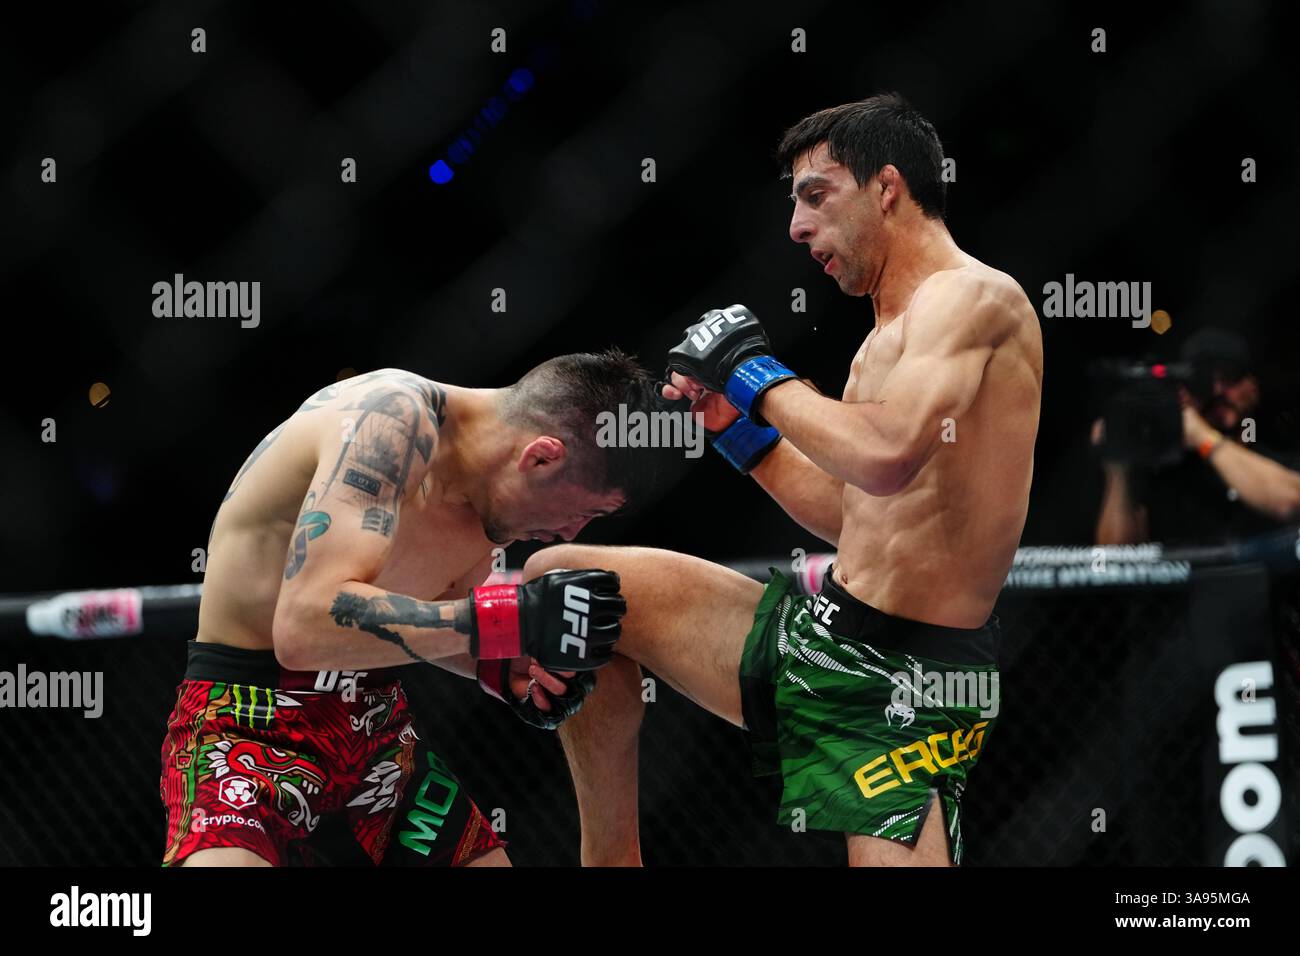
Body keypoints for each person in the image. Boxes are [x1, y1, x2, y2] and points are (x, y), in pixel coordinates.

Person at [524, 94, 1043, 866]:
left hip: (906, 681)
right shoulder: (884, 340)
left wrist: (754, 375)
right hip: (825, 630)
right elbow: (855, 511)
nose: (798, 228)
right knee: (564, 582)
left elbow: (889, 451)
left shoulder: (972, 298)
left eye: (815, 196)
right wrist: (739, 430)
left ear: (887, 187)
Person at [160, 351, 655, 866]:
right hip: (248, 724)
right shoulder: (387, 420)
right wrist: (505, 621)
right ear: (541, 457)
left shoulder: (489, 510)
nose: (572, 534)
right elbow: (303, 626)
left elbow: (421, 627)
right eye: (584, 511)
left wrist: (505, 665)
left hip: (377, 734)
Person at [1094, 327, 1300, 545]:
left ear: (1253, 388)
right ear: (1184, 394)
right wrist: (1118, 470)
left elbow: (1292, 502)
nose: (1218, 390)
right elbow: (1115, 560)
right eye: (1201, 381)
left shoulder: (1283, 467)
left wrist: (1203, 437)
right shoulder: (1163, 476)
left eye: (1229, 377)